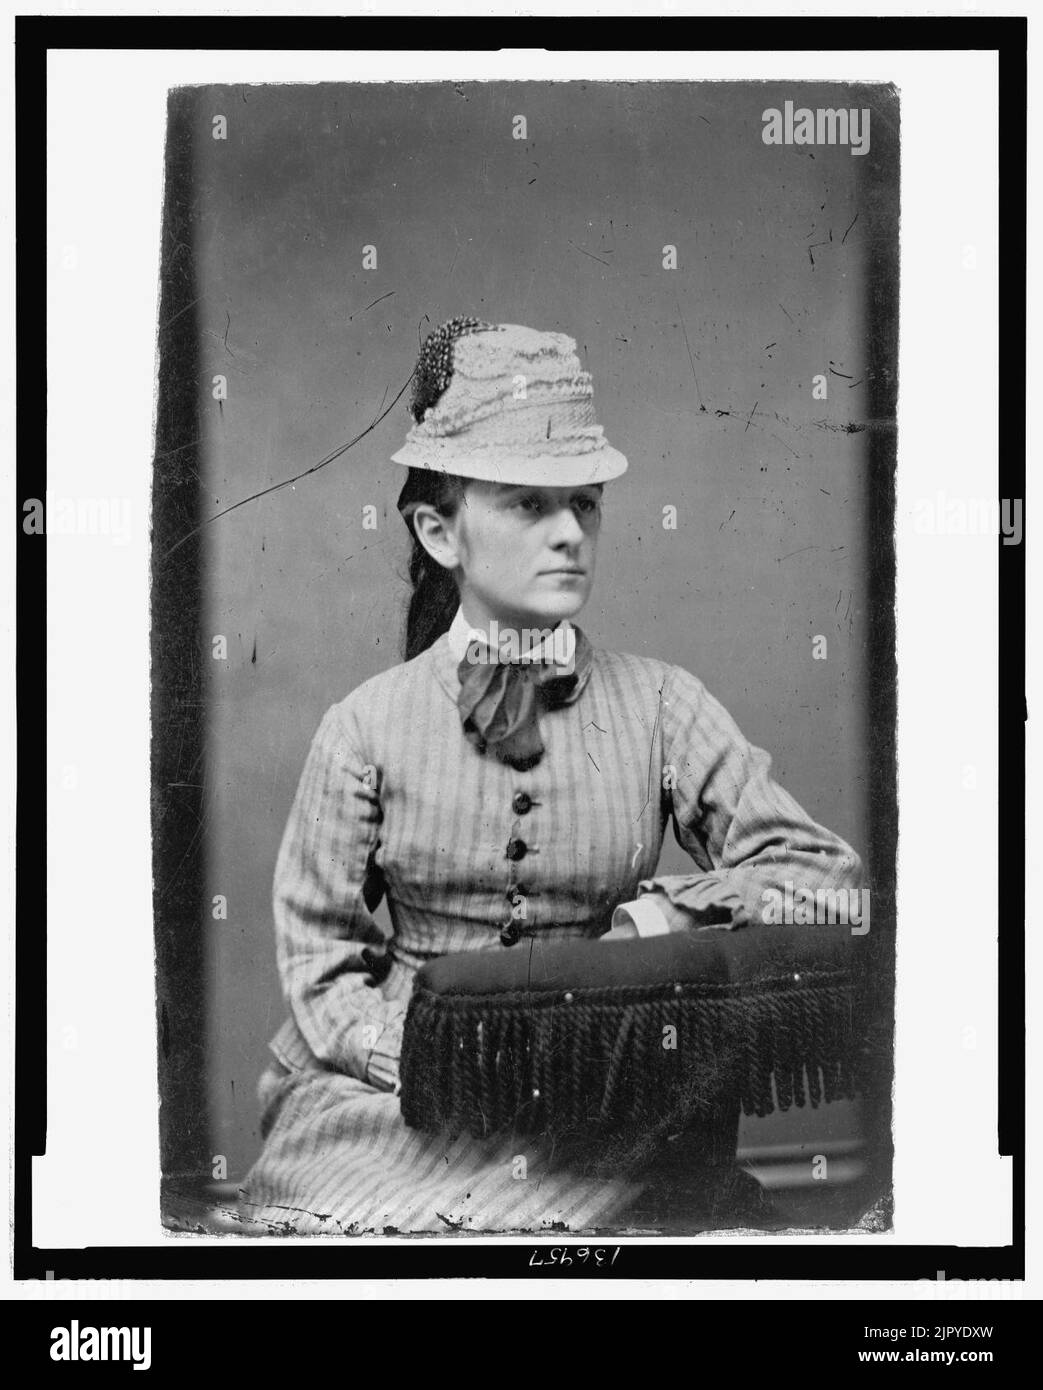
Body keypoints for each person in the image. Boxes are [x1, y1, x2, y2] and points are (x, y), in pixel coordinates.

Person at [237, 317, 863, 1235]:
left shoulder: (661, 707)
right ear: (439, 532)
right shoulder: (364, 725)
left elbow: (825, 880)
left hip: (604, 1106)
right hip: (405, 1105)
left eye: (583, 504)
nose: (569, 533)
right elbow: (321, 963)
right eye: (528, 505)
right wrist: (413, 1058)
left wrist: (665, 918)